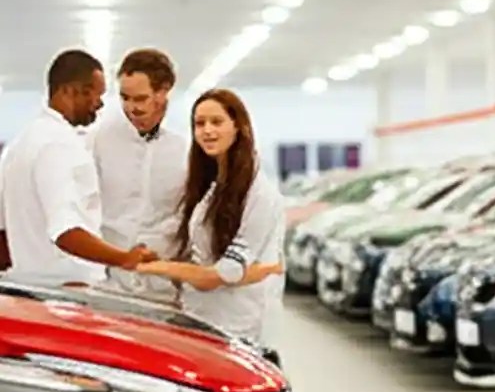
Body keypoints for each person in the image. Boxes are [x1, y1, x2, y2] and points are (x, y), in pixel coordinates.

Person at [136, 89, 285, 344]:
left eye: (216, 122)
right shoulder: (212, 185)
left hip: (238, 332)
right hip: (202, 321)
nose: (207, 131)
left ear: (238, 127)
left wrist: (154, 267)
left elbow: (218, 276)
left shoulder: (259, 194)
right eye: (199, 123)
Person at [0, 50, 156, 284]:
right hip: (66, 289)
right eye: (94, 94)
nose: (100, 104)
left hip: (29, 285)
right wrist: (124, 257)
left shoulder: (20, 145)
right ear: (69, 91)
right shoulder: (58, 146)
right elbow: (66, 231)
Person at [87, 48, 188, 300]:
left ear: (163, 91)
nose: (132, 108)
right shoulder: (100, 140)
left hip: (164, 288)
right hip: (111, 286)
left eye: (141, 99)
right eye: (125, 98)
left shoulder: (184, 147)